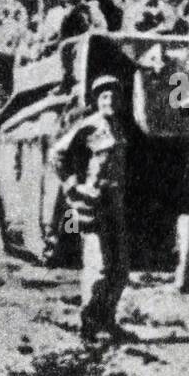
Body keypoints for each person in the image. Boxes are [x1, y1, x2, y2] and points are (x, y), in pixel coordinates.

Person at [52, 75, 134, 343]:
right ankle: (88, 325)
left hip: (116, 202)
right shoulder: (89, 126)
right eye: (104, 97)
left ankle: (108, 320)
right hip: (94, 203)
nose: (109, 101)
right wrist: (73, 187)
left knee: (120, 268)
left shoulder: (118, 128)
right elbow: (57, 154)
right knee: (98, 266)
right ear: (97, 101)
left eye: (113, 97)